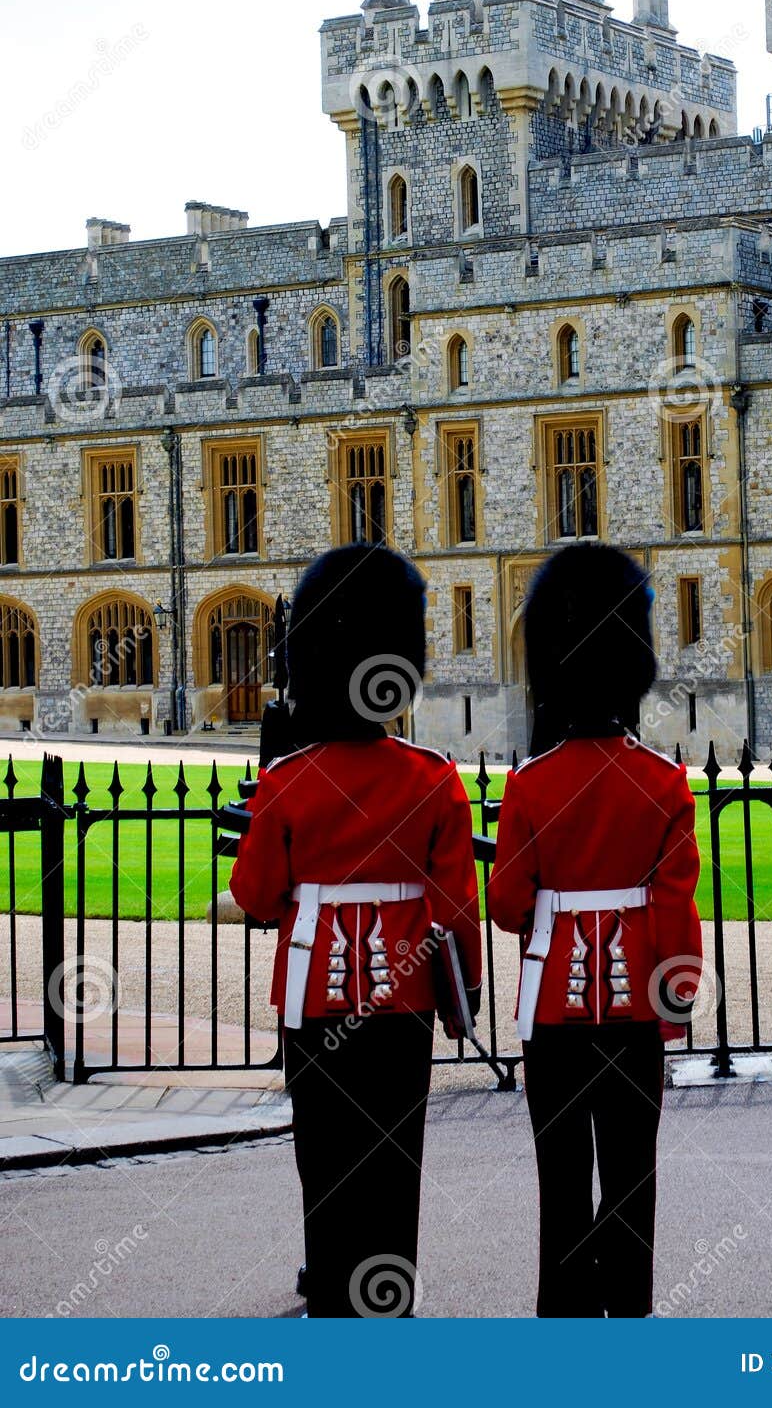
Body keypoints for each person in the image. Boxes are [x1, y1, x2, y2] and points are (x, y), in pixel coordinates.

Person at [230, 542, 481, 1318]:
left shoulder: (287, 782)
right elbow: (455, 908)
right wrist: (462, 997)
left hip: (314, 998)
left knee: (324, 1153)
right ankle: (386, 1296)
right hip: (402, 998)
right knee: (395, 1154)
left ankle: (332, 1292)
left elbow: (254, 894)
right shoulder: (432, 777)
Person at [488, 543, 702, 1318]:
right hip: (634, 1014)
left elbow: (506, 905)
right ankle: (628, 1309)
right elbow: (675, 912)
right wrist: (675, 1004)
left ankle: (566, 1313)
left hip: (552, 1016)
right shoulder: (662, 783)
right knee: (631, 1170)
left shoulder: (530, 785)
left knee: (560, 1175)